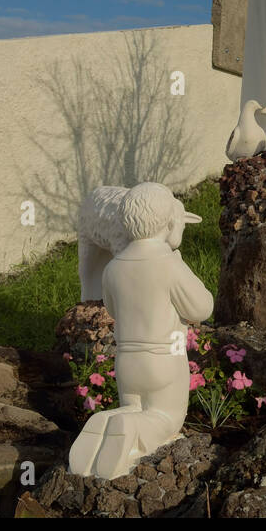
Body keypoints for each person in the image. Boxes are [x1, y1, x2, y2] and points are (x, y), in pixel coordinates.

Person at [68, 183, 214, 480]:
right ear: (169, 221)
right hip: (163, 361)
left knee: (133, 407)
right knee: (166, 419)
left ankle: (108, 420)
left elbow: (111, 308)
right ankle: (131, 430)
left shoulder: (114, 268)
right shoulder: (169, 264)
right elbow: (201, 308)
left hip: (126, 363)